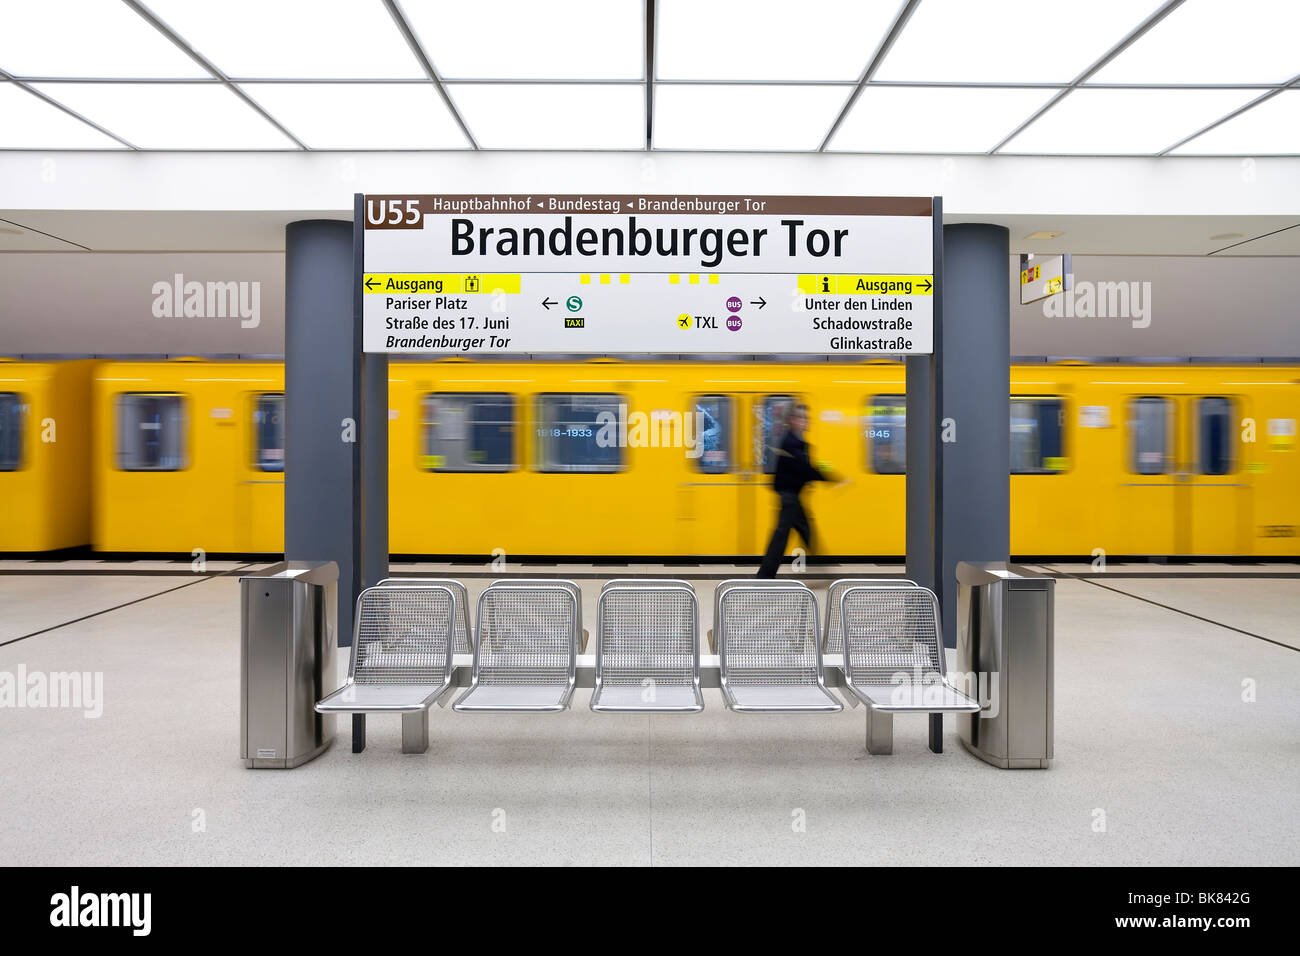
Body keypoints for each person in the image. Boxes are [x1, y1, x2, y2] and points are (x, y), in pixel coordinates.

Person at [757, 402, 845, 578]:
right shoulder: (792, 443)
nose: (805, 421)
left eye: (806, 418)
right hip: (789, 497)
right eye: (801, 418)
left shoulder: (795, 441)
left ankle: (821, 570)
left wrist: (828, 473)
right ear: (791, 420)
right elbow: (806, 469)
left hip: (792, 496)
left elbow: (810, 466)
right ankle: (765, 575)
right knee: (783, 536)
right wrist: (833, 478)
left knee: (802, 533)